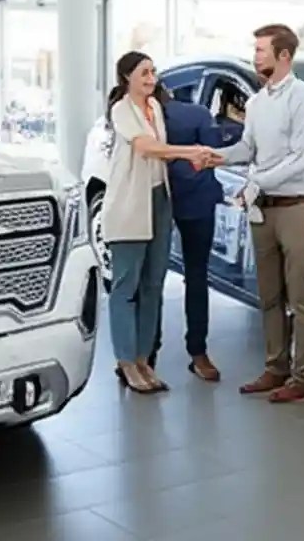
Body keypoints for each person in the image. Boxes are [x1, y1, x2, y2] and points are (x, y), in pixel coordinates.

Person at [216, 23, 304, 404]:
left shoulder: (303, 98)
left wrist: (257, 182)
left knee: (301, 299)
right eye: (255, 49)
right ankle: (275, 367)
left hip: (298, 209)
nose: (255, 56)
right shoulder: (257, 103)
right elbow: (247, 148)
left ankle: (302, 377)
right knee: (269, 296)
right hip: (264, 210)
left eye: (261, 50)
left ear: (284, 56)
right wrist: (214, 156)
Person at [103, 51, 220, 395]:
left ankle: (143, 359)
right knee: (126, 286)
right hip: (130, 203)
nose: (151, 78)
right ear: (126, 77)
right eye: (144, 73)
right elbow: (147, 147)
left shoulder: (154, 107)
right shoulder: (121, 109)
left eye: (153, 72)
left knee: (154, 284)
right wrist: (189, 151)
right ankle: (126, 361)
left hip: (159, 200)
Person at [146, 82, 227, 382]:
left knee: (151, 278)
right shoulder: (197, 115)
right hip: (195, 199)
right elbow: (214, 153)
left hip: (154, 200)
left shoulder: (137, 119)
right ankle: (198, 353)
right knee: (196, 276)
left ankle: (145, 355)